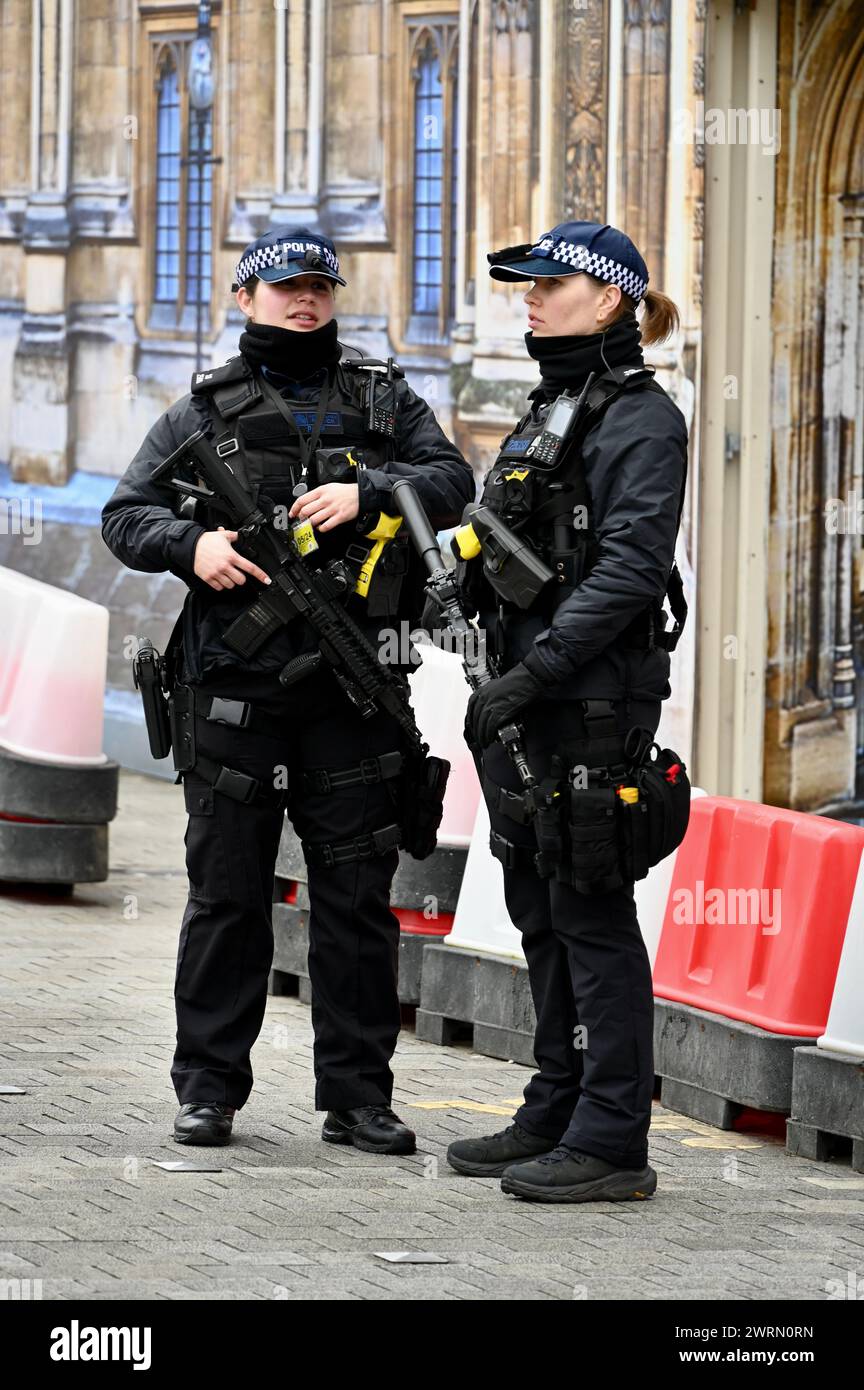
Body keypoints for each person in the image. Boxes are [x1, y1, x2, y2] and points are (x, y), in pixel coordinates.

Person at [102, 226, 474, 1152]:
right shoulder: (204, 412)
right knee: (228, 895)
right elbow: (124, 513)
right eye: (284, 289)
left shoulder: (383, 402)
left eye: (318, 287)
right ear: (245, 299)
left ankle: (356, 1099)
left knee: (355, 899)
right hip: (237, 692)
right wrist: (190, 546)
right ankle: (209, 1090)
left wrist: (374, 493)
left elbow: (455, 481)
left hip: (354, 697)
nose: (303, 302)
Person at [446, 221, 688, 1202]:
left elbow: (630, 569)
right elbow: (495, 535)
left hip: (584, 699)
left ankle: (613, 1135)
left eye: (550, 283)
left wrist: (537, 666)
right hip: (524, 698)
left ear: (612, 297)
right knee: (539, 906)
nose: (530, 298)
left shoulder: (639, 417)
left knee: (590, 908)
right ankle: (559, 1100)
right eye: (525, 285)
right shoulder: (554, 406)